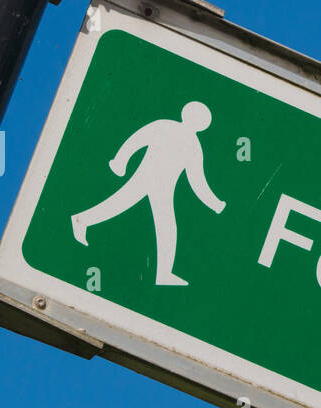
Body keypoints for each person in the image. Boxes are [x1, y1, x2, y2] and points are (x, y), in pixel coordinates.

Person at [70, 101, 223, 286]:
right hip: (146, 178)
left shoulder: (193, 146)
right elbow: (137, 140)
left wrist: (214, 202)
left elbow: (197, 180)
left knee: (164, 225)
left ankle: (164, 274)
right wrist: (120, 161)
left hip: (164, 188)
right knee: (120, 206)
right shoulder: (165, 126)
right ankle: (81, 220)